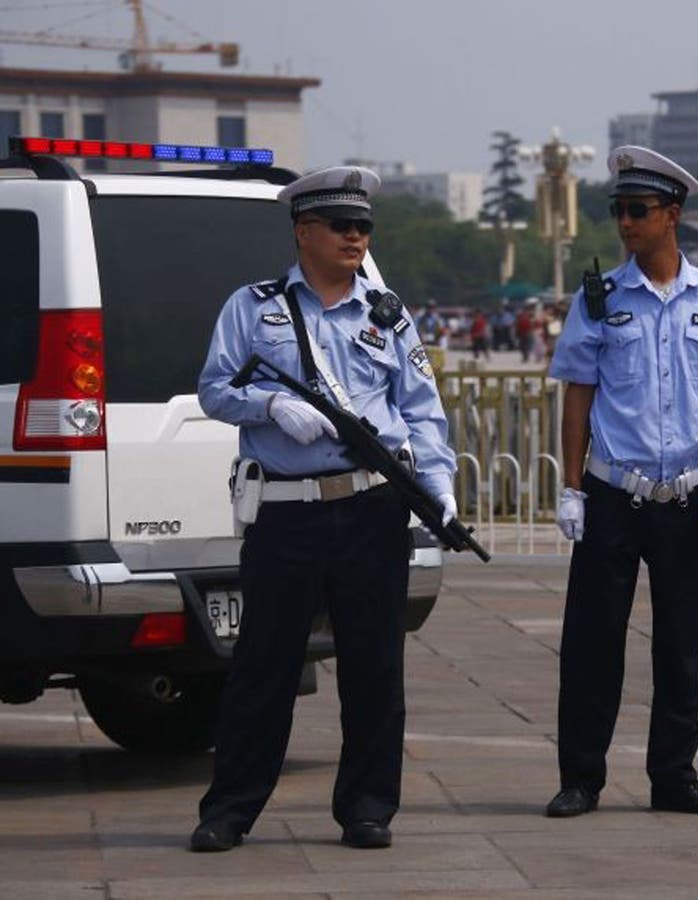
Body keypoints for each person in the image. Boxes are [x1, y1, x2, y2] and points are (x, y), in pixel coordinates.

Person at [190, 166, 457, 852]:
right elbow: (216, 389)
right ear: (303, 231)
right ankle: (230, 809)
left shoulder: (386, 313)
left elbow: (422, 412)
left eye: (364, 226)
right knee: (264, 666)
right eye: (341, 226)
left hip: (370, 509)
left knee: (375, 668)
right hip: (287, 511)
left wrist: (440, 485)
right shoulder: (253, 308)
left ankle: (368, 807)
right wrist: (271, 406)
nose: (355, 237)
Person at [545, 146, 698, 818]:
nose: (625, 223)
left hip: (688, 495)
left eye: (638, 210)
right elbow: (578, 394)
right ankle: (581, 778)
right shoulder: (599, 298)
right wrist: (573, 487)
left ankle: (674, 776)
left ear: (672, 215)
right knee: (592, 643)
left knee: (680, 645)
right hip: (615, 493)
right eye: (618, 211)